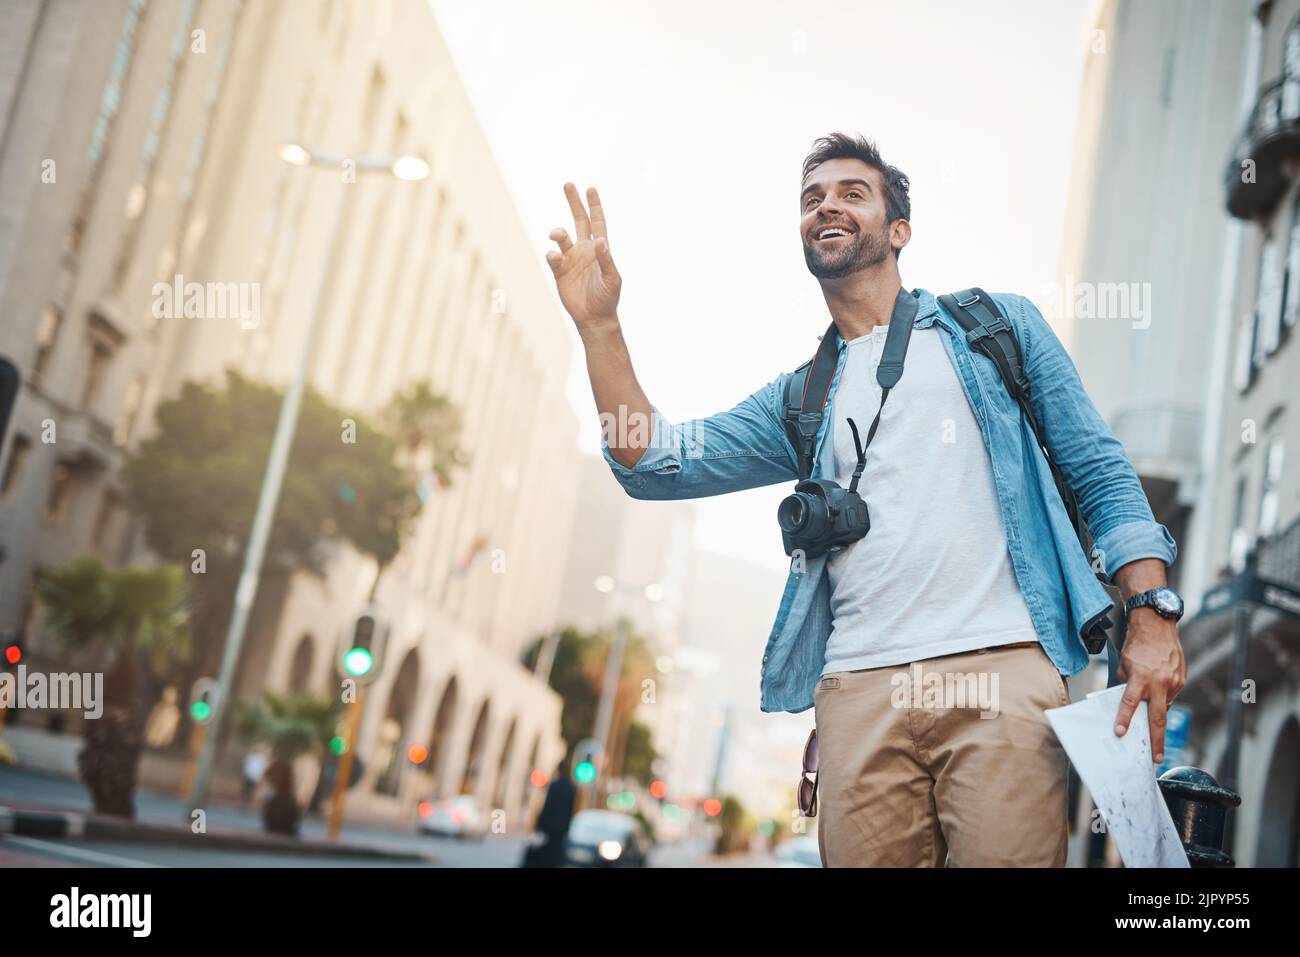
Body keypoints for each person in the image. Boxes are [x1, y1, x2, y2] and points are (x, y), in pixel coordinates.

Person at [544, 133, 1187, 867]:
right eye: (812, 198)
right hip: (860, 688)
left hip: (1002, 671)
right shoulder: (802, 395)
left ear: (899, 230)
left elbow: (1100, 472)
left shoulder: (993, 331)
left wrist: (1152, 612)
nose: (828, 205)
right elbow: (653, 463)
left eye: (853, 193)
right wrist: (599, 327)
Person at [523, 761, 575, 867]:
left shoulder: (555, 786)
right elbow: (569, 811)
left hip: (549, 831)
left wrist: (539, 826)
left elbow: (548, 807)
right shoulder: (571, 788)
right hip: (560, 833)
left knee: (542, 859)